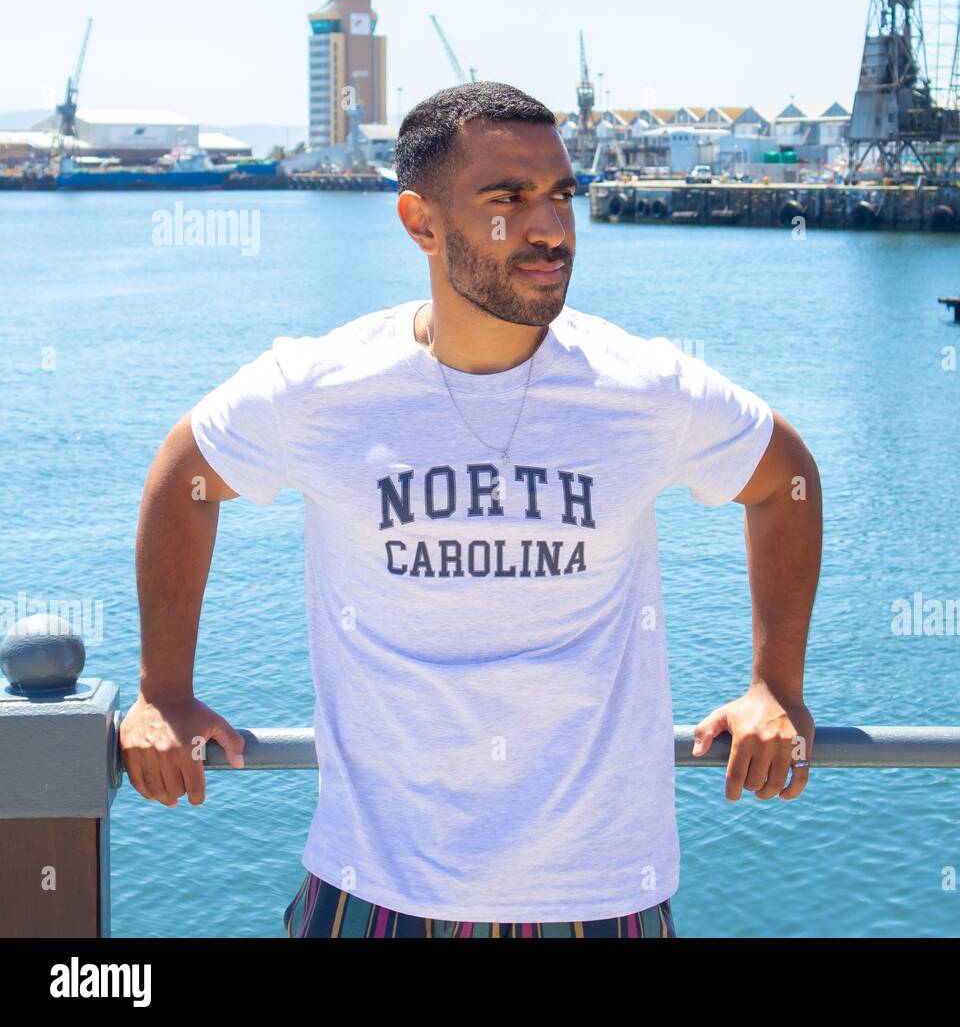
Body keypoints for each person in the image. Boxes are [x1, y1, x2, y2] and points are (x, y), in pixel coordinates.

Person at [120, 81, 822, 938]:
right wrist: (164, 690)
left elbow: (784, 480)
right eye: (509, 198)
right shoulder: (322, 387)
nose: (552, 227)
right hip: (375, 883)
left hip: (598, 891)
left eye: (563, 194)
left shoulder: (642, 387)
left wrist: (774, 684)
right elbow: (181, 478)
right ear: (420, 221)